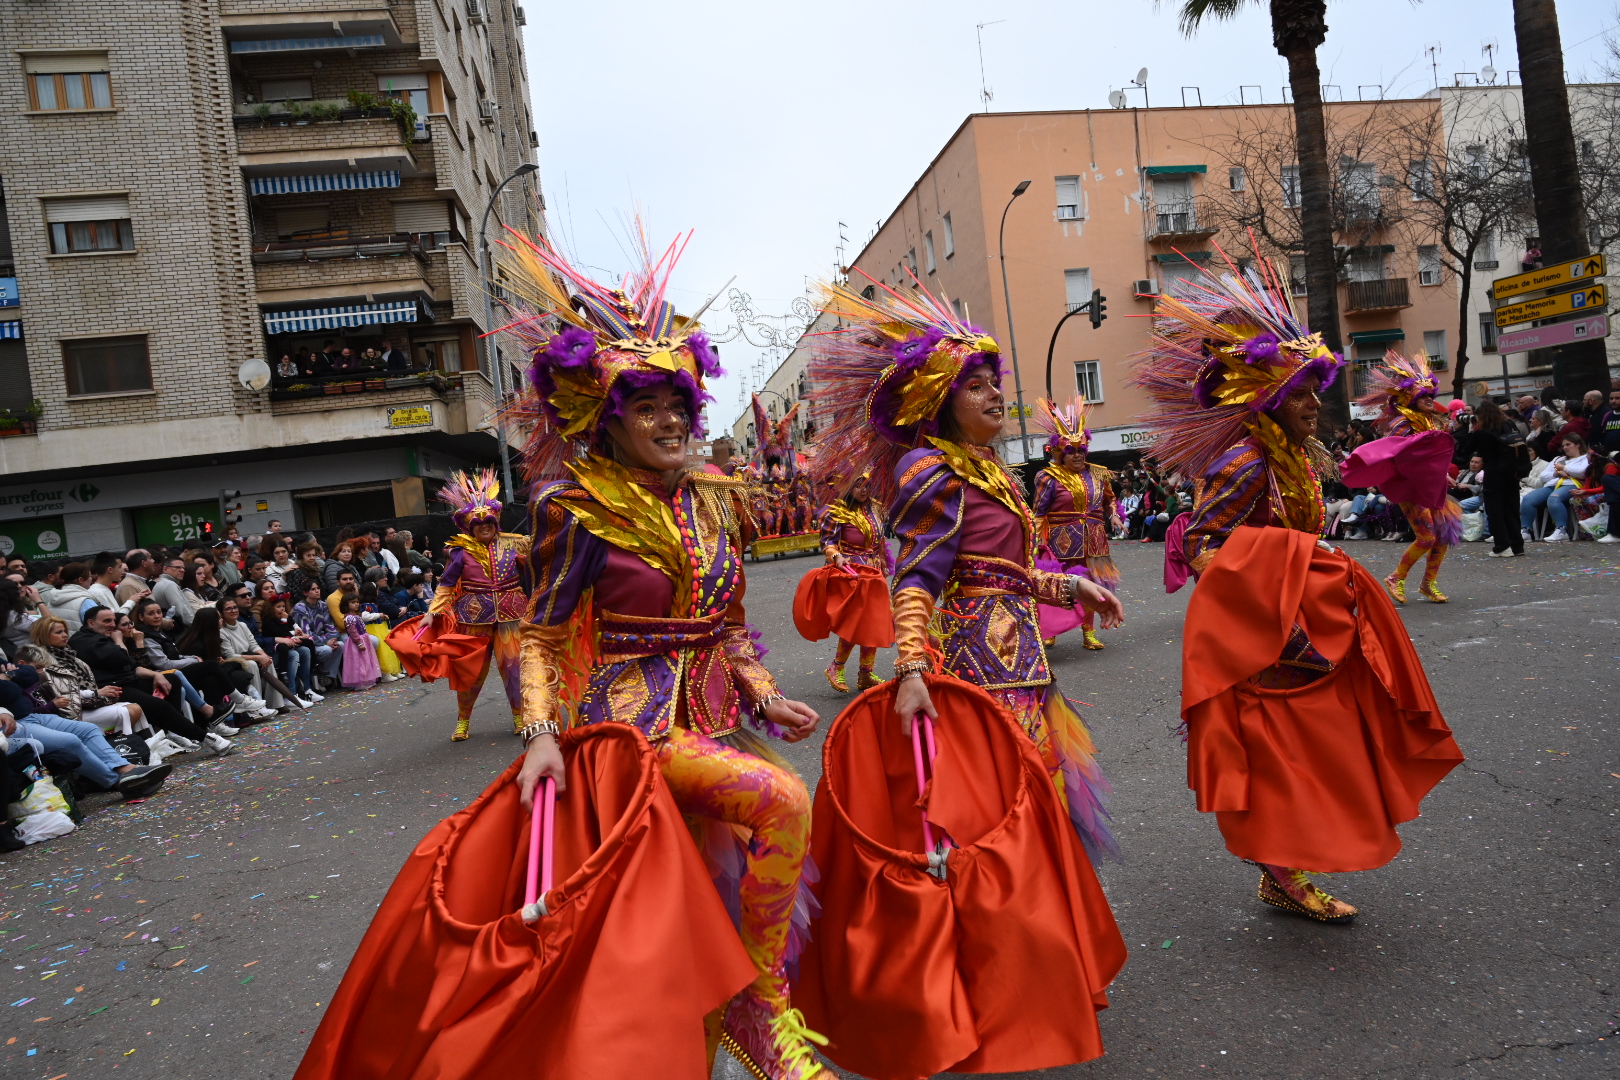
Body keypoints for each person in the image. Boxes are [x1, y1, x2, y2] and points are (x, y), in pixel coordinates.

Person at [801, 274, 1125, 1074]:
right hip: (971, 678)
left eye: (993, 385)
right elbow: (915, 578)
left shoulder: (988, 470)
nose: (992, 398)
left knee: (1038, 819)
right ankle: (975, 993)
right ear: (942, 400)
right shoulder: (929, 472)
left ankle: (1042, 969)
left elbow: (1002, 572)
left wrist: (1067, 582)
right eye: (975, 387)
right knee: (986, 832)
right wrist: (910, 667)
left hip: (1024, 671)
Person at [1132, 259, 1463, 922]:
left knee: (1316, 748)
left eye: (1317, 390)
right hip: (1268, 635)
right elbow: (1204, 544)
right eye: (1303, 392)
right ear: (1269, 397)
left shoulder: (1292, 454)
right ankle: (1283, 874)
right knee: (1285, 756)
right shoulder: (1245, 459)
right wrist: (1278, 602)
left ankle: (1283, 868)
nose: (1316, 403)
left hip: (1311, 625)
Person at [1342, 350, 1464, 603]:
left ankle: (1428, 583)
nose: (1430, 399)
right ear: (1411, 398)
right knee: (1427, 536)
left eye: (1431, 394)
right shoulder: (1402, 421)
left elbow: (1432, 458)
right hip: (1410, 487)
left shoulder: (1431, 421)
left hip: (1432, 486)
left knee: (1442, 536)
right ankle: (1396, 577)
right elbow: (1401, 451)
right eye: (1424, 395)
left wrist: (1443, 475)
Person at [421, 469, 529, 741]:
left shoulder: (516, 545)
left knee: (515, 668)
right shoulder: (460, 552)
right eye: (478, 523)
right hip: (474, 620)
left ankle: (520, 717)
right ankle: (463, 721)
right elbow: (446, 584)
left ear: (496, 523)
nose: (484, 526)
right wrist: (432, 612)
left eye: (489, 522)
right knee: (470, 672)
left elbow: (544, 560)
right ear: (469, 526)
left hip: (511, 615)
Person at [62, 609, 228, 753]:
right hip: (113, 689)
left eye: (113, 621)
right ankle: (206, 737)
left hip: (130, 681)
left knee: (172, 679)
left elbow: (135, 667)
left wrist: (156, 675)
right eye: (107, 621)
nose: (112, 625)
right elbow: (122, 657)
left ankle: (172, 732)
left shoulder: (103, 637)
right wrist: (118, 640)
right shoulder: (84, 640)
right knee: (159, 706)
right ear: (91, 623)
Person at [1032, 396, 1122, 650]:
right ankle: (1052, 631)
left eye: (1081, 450)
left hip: (1094, 540)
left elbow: (1110, 500)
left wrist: (1114, 514)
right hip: (1061, 541)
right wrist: (1037, 539)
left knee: (1093, 585)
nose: (1078, 456)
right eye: (1071, 451)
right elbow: (1039, 512)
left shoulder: (1099, 473)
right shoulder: (1048, 476)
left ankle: (1089, 632)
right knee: (1056, 585)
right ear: (1060, 454)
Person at [812, 470, 892, 692]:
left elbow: (881, 540)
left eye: (867, 485)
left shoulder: (875, 507)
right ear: (848, 488)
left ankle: (866, 673)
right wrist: (836, 555)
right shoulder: (836, 512)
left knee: (874, 621)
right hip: (853, 572)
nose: (864, 490)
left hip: (874, 572)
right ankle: (836, 667)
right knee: (855, 622)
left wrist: (884, 563)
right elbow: (828, 542)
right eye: (858, 486)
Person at [1457, 400, 1527, 557]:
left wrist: (1471, 431)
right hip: (1512, 473)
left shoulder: (1482, 433)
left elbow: (1465, 451)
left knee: (1495, 510)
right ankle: (1517, 545)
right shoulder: (1508, 425)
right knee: (1511, 509)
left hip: (1494, 473)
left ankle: (1502, 546)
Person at [1521, 433, 1591, 543]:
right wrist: (1556, 474)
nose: (1565, 448)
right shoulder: (1560, 459)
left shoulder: (1585, 458)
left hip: (1571, 485)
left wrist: (1563, 468)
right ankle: (1526, 531)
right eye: (1563, 446)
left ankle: (1561, 531)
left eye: (1568, 444)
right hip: (1552, 485)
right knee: (1528, 499)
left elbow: (1582, 472)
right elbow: (1544, 476)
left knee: (1554, 498)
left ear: (1578, 445)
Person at [258, 596, 320, 704]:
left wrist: (297, 634)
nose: (282, 609)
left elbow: (290, 630)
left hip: (287, 644)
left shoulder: (285, 619)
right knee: (294, 654)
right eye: (278, 607)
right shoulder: (268, 621)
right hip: (275, 650)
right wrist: (286, 623)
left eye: (283, 606)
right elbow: (280, 633)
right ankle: (291, 695)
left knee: (305, 650)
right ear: (271, 608)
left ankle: (307, 689)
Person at [293, 580, 343, 687]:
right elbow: (306, 633)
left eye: (318, 588)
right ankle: (322, 674)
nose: (317, 591)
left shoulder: (323, 605)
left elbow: (332, 628)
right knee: (327, 649)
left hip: (322, 640)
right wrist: (325, 642)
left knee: (340, 645)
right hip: (308, 643)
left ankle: (328, 676)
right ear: (305, 593)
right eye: (313, 589)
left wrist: (330, 639)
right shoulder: (300, 608)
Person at [336, 594, 382, 689]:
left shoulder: (356, 616)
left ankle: (367, 679)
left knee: (366, 660)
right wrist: (359, 642)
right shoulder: (349, 618)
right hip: (356, 642)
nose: (356, 604)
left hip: (363, 639)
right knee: (359, 662)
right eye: (353, 602)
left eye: (357, 602)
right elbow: (352, 632)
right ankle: (360, 681)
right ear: (346, 605)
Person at [44, 561, 96, 633]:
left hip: (62, 643)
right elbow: (98, 627)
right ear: (81, 580)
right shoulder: (85, 601)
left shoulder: (51, 600)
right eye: (90, 576)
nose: (92, 579)